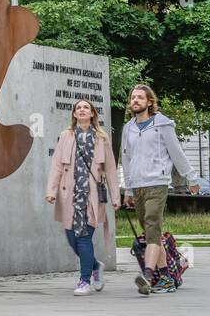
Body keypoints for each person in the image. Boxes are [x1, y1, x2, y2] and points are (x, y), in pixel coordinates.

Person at [115, 84, 201, 295]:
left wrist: (191, 177)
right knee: (151, 232)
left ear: (149, 102)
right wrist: (128, 189)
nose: (135, 101)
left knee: (152, 225)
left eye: (140, 98)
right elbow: (126, 159)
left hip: (157, 183)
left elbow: (177, 152)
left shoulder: (163, 124)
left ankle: (147, 275)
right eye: (133, 97)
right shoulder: (129, 128)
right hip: (138, 186)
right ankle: (166, 276)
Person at [46, 99, 119, 296]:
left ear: (93, 113)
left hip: (92, 196)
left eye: (86, 107)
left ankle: (84, 280)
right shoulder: (66, 136)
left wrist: (115, 196)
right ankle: (96, 265)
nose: (82, 110)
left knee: (84, 237)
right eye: (78, 108)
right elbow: (57, 166)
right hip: (70, 194)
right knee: (72, 239)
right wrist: (51, 191)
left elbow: (110, 169)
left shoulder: (102, 138)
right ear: (74, 115)